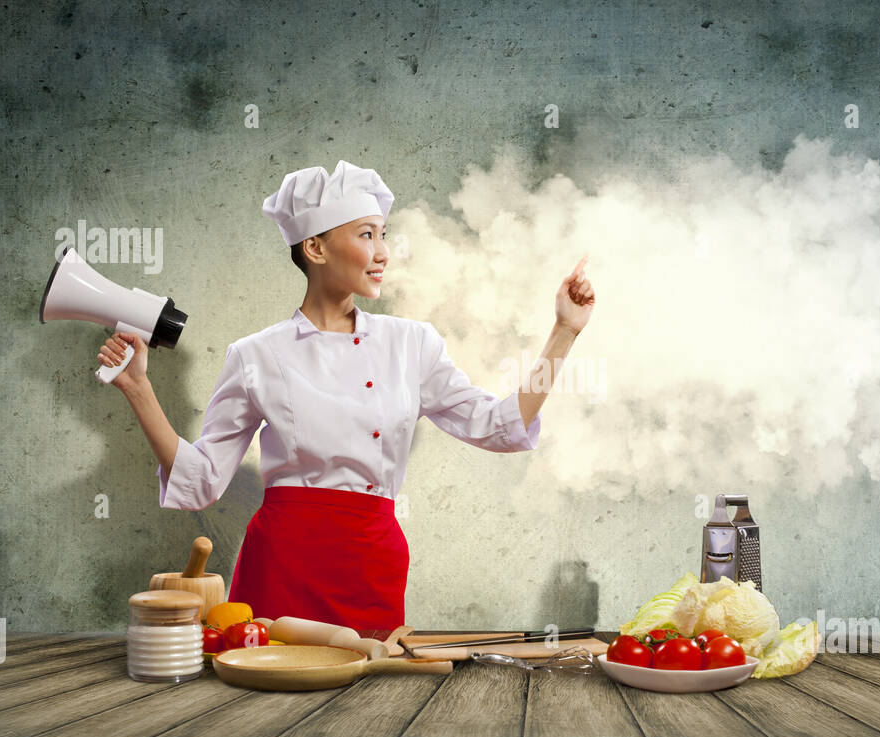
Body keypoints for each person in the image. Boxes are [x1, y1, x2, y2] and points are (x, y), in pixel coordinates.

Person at [99, 161, 595, 630]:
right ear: (315, 248)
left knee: (370, 707)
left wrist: (564, 333)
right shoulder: (255, 355)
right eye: (365, 235)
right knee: (270, 703)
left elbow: (498, 425)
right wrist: (139, 388)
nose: (383, 252)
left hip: (372, 562)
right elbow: (203, 481)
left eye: (384, 235)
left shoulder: (412, 344)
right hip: (283, 566)